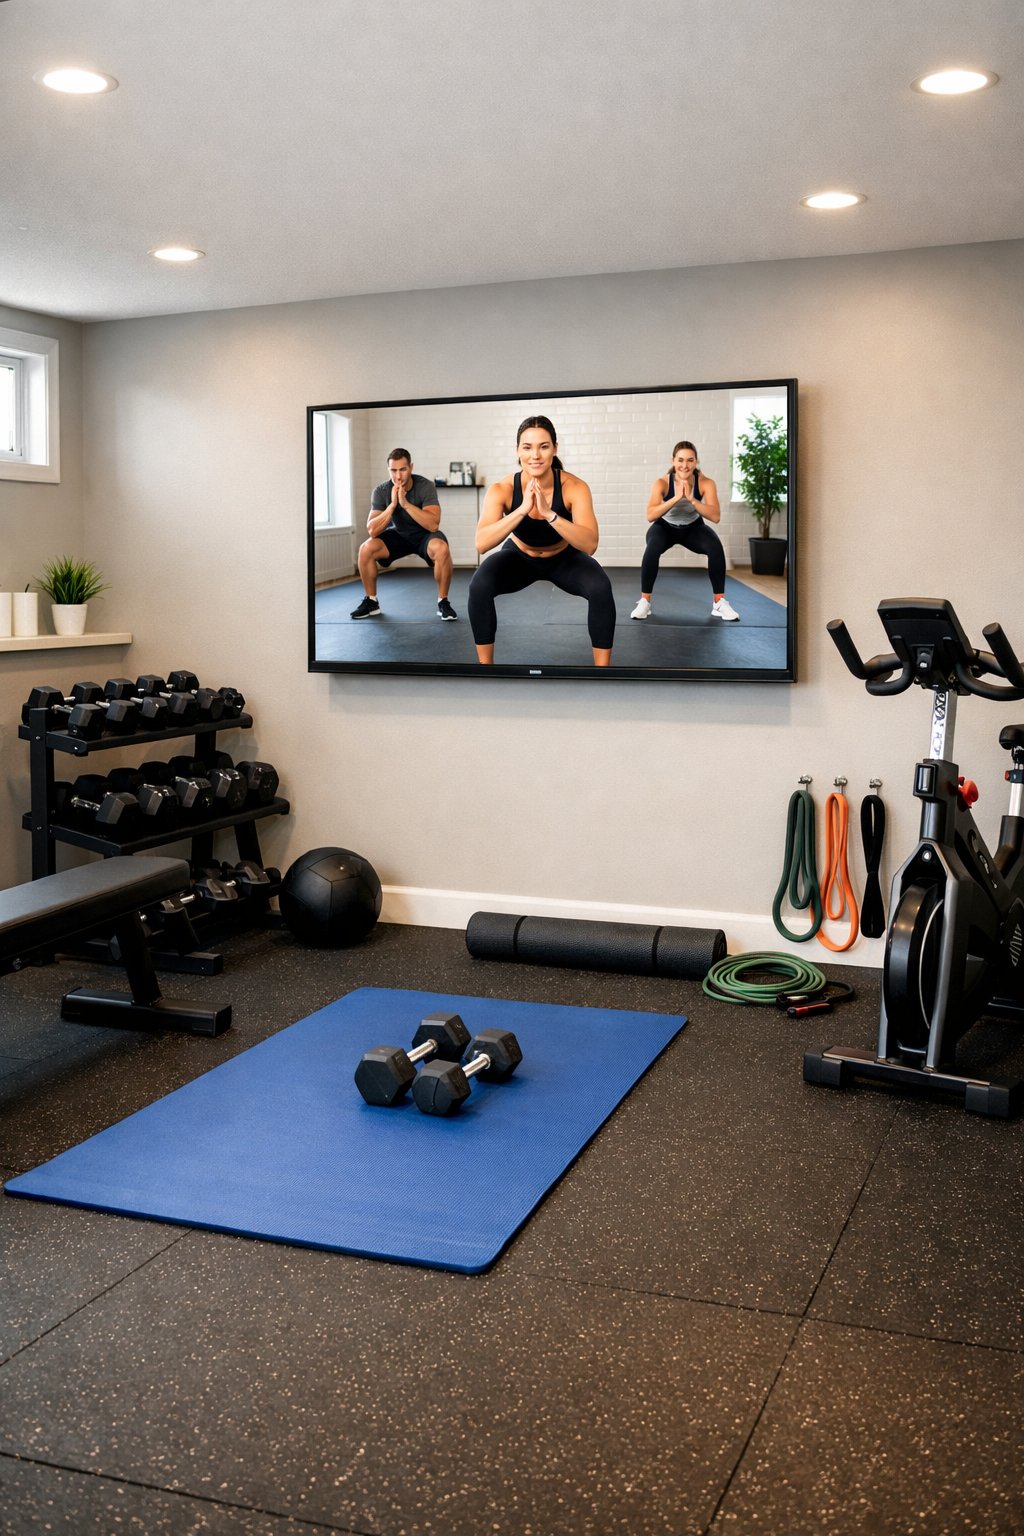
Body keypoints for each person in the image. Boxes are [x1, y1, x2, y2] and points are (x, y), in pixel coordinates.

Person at [467, 416, 615, 666]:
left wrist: (549, 514)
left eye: (543, 446)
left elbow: (590, 544)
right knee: (479, 585)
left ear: (554, 448)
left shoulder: (574, 487)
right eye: (527, 447)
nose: (535, 455)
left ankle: (603, 672)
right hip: (519, 557)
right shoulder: (502, 489)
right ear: (517, 451)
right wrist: (522, 510)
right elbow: (481, 543)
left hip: (564, 558)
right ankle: (486, 669)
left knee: (601, 587)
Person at [630, 441, 739, 622]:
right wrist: (675, 498)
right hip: (664, 528)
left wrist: (692, 499)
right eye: (680, 460)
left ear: (696, 462)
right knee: (652, 548)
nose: (684, 465)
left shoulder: (706, 483)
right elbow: (650, 515)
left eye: (690, 460)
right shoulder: (661, 483)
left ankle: (719, 603)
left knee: (715, 547)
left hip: (693, 528)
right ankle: (644, 602)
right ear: (673, 461)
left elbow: (715, 516)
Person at [350, 449, 457, 620]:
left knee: (441, 548)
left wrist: (405, 504)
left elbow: (433, 524)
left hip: (424, 537)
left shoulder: (425, 486)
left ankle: (443, 602)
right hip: (399, 536)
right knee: (366, 548)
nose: (398, 476)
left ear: (411, 467)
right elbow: (372, 530)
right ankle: (371, 602)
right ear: (388, 470)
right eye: (393, 470)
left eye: (403, 469)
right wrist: (392, 505)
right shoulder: (381, 491)